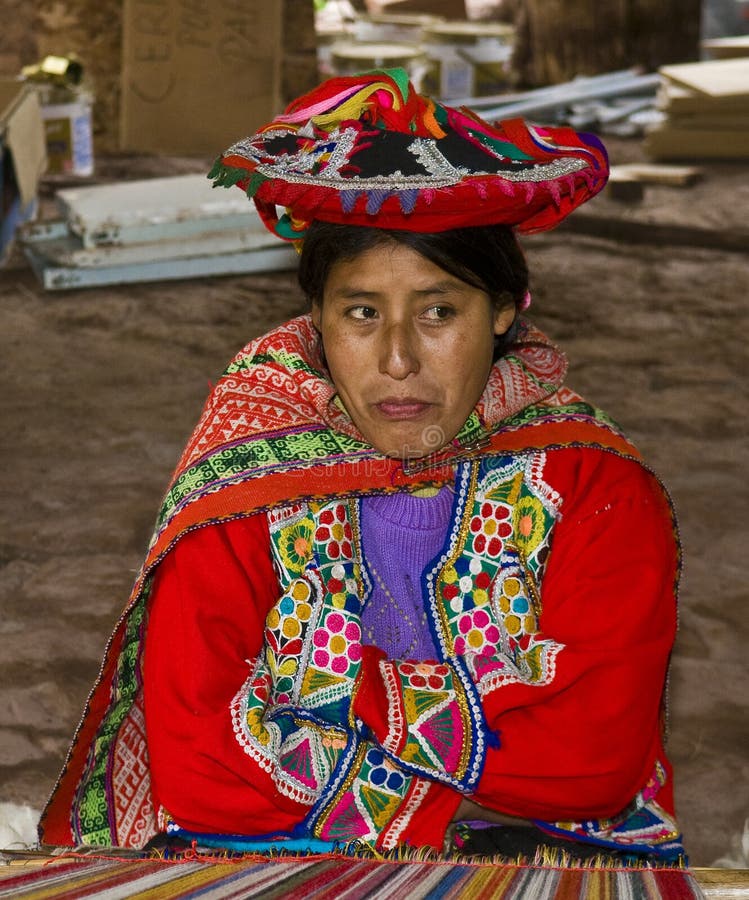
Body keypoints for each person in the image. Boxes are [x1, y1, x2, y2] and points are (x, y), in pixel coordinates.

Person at [39, 69, 684, 862]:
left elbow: (595, 762)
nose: (399, 359)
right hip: (480, 842)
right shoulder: (245, 477)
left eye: (439, 311)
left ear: (508, 309)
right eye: (361, 313)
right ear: (315, 317)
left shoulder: (594, 485)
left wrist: (323, 702)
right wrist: (474, 775)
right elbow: (199, 771)